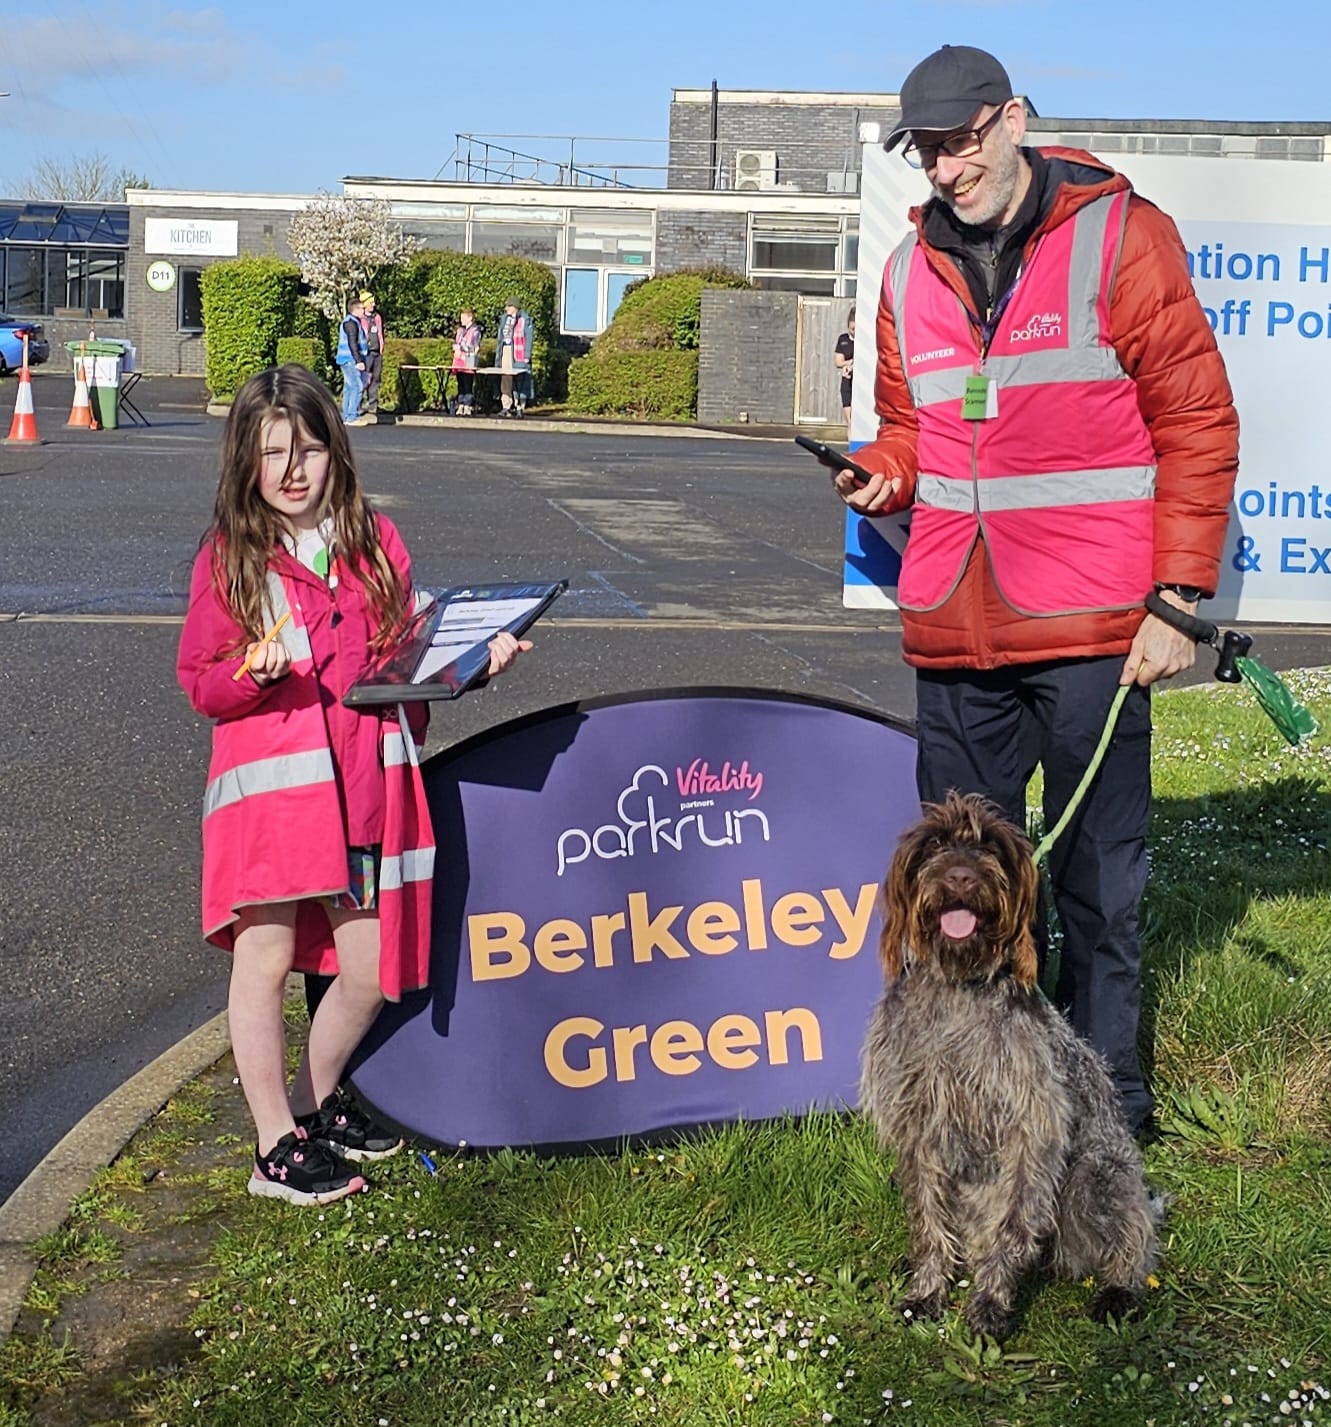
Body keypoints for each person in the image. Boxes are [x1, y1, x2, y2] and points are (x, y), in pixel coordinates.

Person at [835, 44, 1238, 1137]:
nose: (945, 167)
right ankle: (973, 1105)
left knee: (1096, 894)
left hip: (1091, 626)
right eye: (925, 150)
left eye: (960, 141)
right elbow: (912, 428)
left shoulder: (1120, 235)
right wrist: (885, 474)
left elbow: (1195, 422)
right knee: (960, 900)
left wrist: (1176, 600)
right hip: (954, 631)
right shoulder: (903, 270)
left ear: (1012, 119)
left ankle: (1105, 1114)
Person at [177, 364, 530, 1205]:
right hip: (274, 800)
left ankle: (307, 1109)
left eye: (307, 451)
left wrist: (474, 664)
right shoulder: (232, 555)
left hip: (363, 793)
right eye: (272, 454)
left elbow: (406, 657)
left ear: (335, 452)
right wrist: (251, 670)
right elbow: (200, 678)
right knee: (262, 960)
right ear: (245, 463)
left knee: (370, 965)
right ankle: (273, 1148)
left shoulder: (375, 540)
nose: (292, 471)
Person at [496, 296, 533, 417]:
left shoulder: (524, 319)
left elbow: (529, 339)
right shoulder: (504, 319)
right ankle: (506, 405)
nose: (506, 309)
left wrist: (527, 355)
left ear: (515, 307)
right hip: (506, 349)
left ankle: (519, 405)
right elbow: (501, 337)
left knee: (519, 378)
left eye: (509, 306)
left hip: (517, 351)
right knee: (505, 377)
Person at [335, 298, 368, 426]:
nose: (364, 311)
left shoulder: (353, 322)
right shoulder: (351, 323)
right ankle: (352, 417)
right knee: (357, 386)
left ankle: (346, 415)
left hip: (347, 359)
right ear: (356, 309)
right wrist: (359, 360)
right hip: (349, 359)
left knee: (349, 387)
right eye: (362, 308)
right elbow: (352, 343)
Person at [357, 290, 385, 418]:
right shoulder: (360, 319)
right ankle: (358, 405)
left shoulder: (377, 317)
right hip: (366, 353)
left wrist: (381, 347)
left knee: (375, 379)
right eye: (371, 302)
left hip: (376, 352)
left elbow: (379, 333)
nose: (373, 304)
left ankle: (373, 405)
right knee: (364, 379)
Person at [451, 307, 483, 415]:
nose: (461, 319)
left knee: (467, 382)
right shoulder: (460, 330)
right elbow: (456, 342)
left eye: (463, 317)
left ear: (470, 317)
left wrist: (461, 348)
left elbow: (474, 346)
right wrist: (455, 347)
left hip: (469, 360)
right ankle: (460, 404)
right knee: (460, 383)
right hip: (459, 361)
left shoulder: (475, 330)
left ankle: (468, 404)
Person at [834, 306, 856, 426]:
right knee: (850, 421)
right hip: (847, 382)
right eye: (852, 329)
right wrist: (850, 362)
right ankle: (850, 444)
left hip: (862, 384)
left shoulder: (865, 341)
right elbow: (838, 362)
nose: (854, 332)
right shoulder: (843, 340)